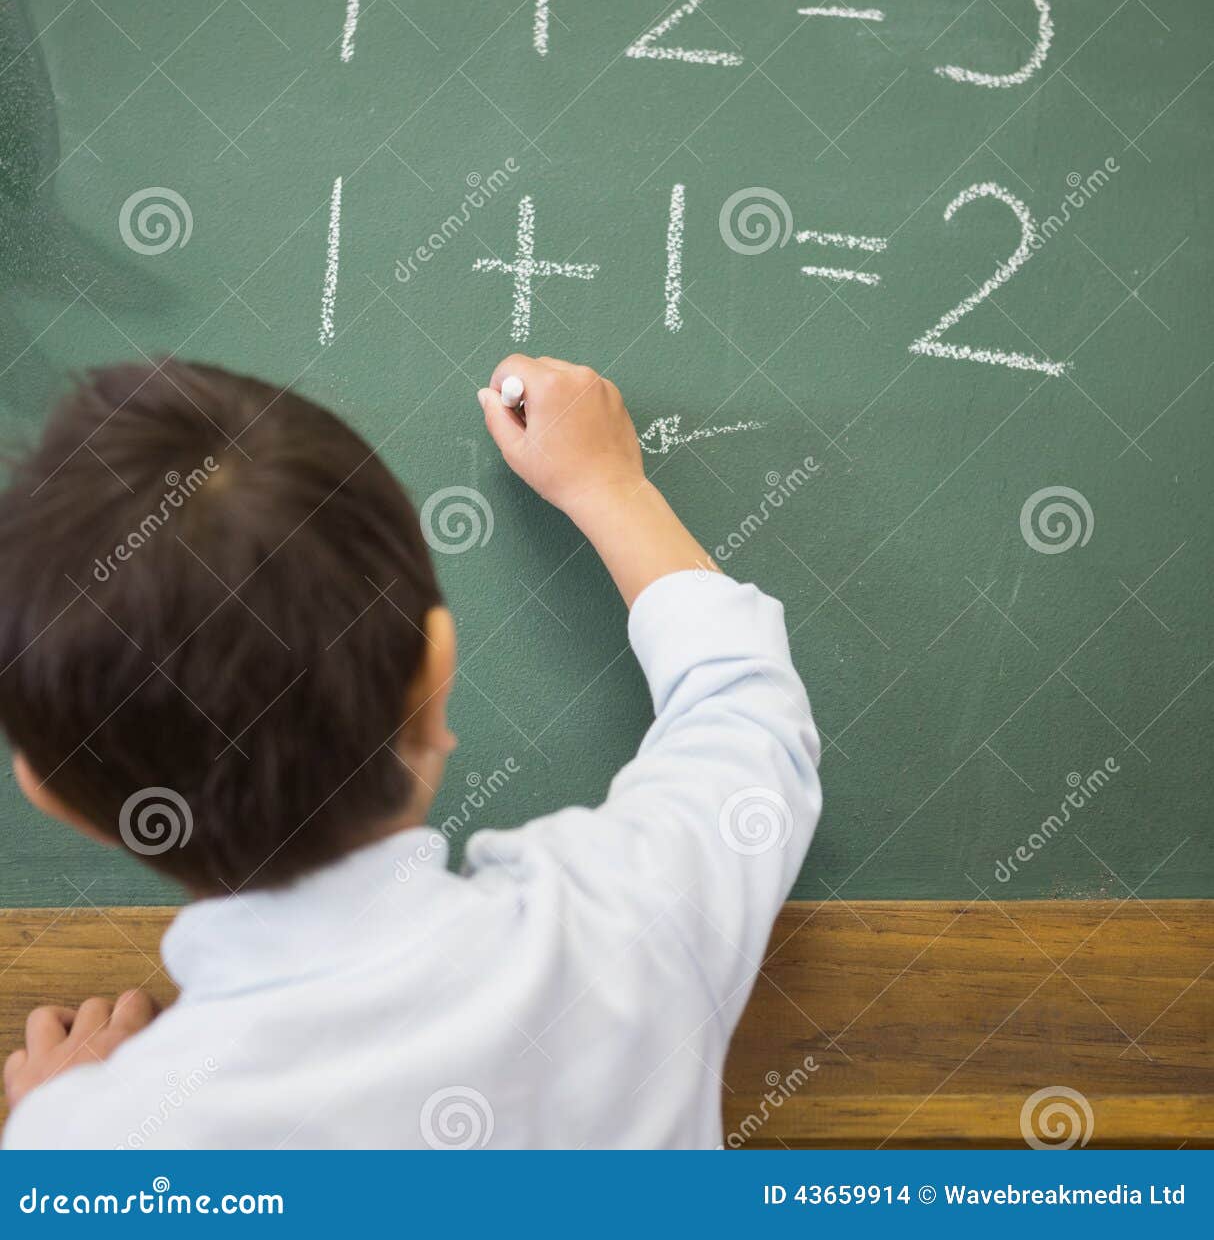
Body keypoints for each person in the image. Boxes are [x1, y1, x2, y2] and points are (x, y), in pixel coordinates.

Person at [0, 355, 820, 1148]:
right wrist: (612, 488)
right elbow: (745, 711)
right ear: (434, 678)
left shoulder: (91, 1152)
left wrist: (67, 1122)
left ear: (53, 795)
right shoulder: (625, 924)